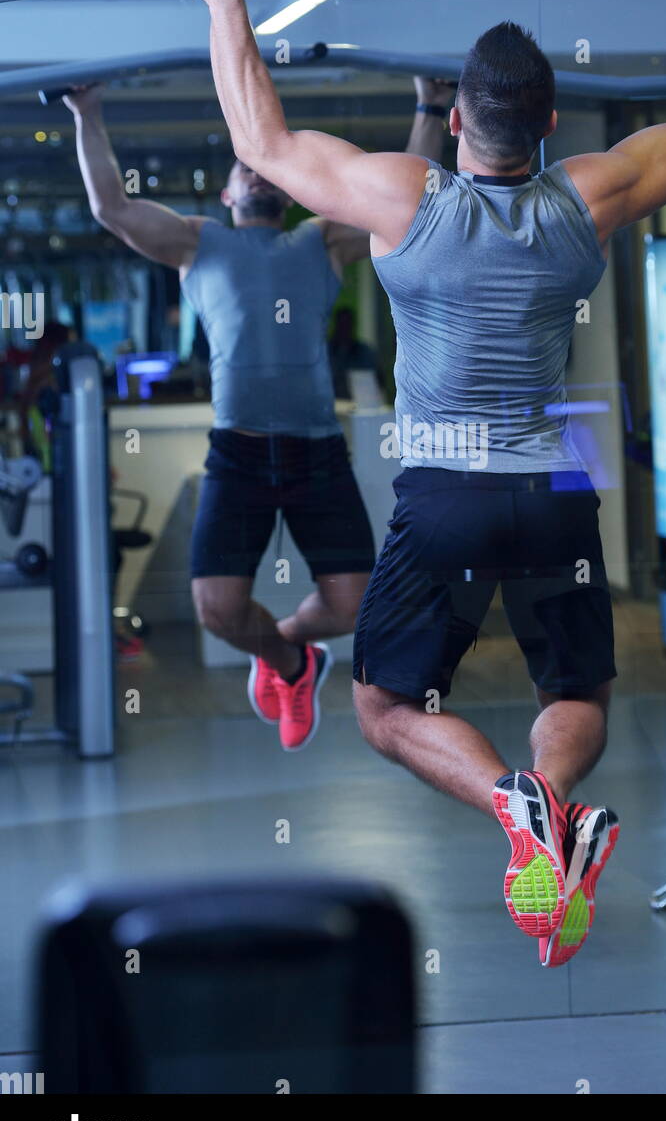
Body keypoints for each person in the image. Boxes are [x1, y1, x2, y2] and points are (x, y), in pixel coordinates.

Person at [181, 0, 666, 964]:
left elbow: (264, 143)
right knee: (577, 691)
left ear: (453, 120)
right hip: (552, 489)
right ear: (548, 124)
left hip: (444, 493)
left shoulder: (405, 201)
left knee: (381, 706)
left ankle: (515, 805)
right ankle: (550, 804)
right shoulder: (584, 196)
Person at [64, 77, 449, 750]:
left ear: (286, 188)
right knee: (217, 611)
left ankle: (294, 648)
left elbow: (406, 199)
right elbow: (112, 208)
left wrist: (429, 106)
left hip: (317, 452)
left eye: (264, 166)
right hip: (237, 456)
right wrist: (86, 110)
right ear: (228, 194)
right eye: (244, 169)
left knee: (352, 606)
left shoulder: (321, 242)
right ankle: (287, 664)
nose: (254, 175)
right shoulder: (195, 243)